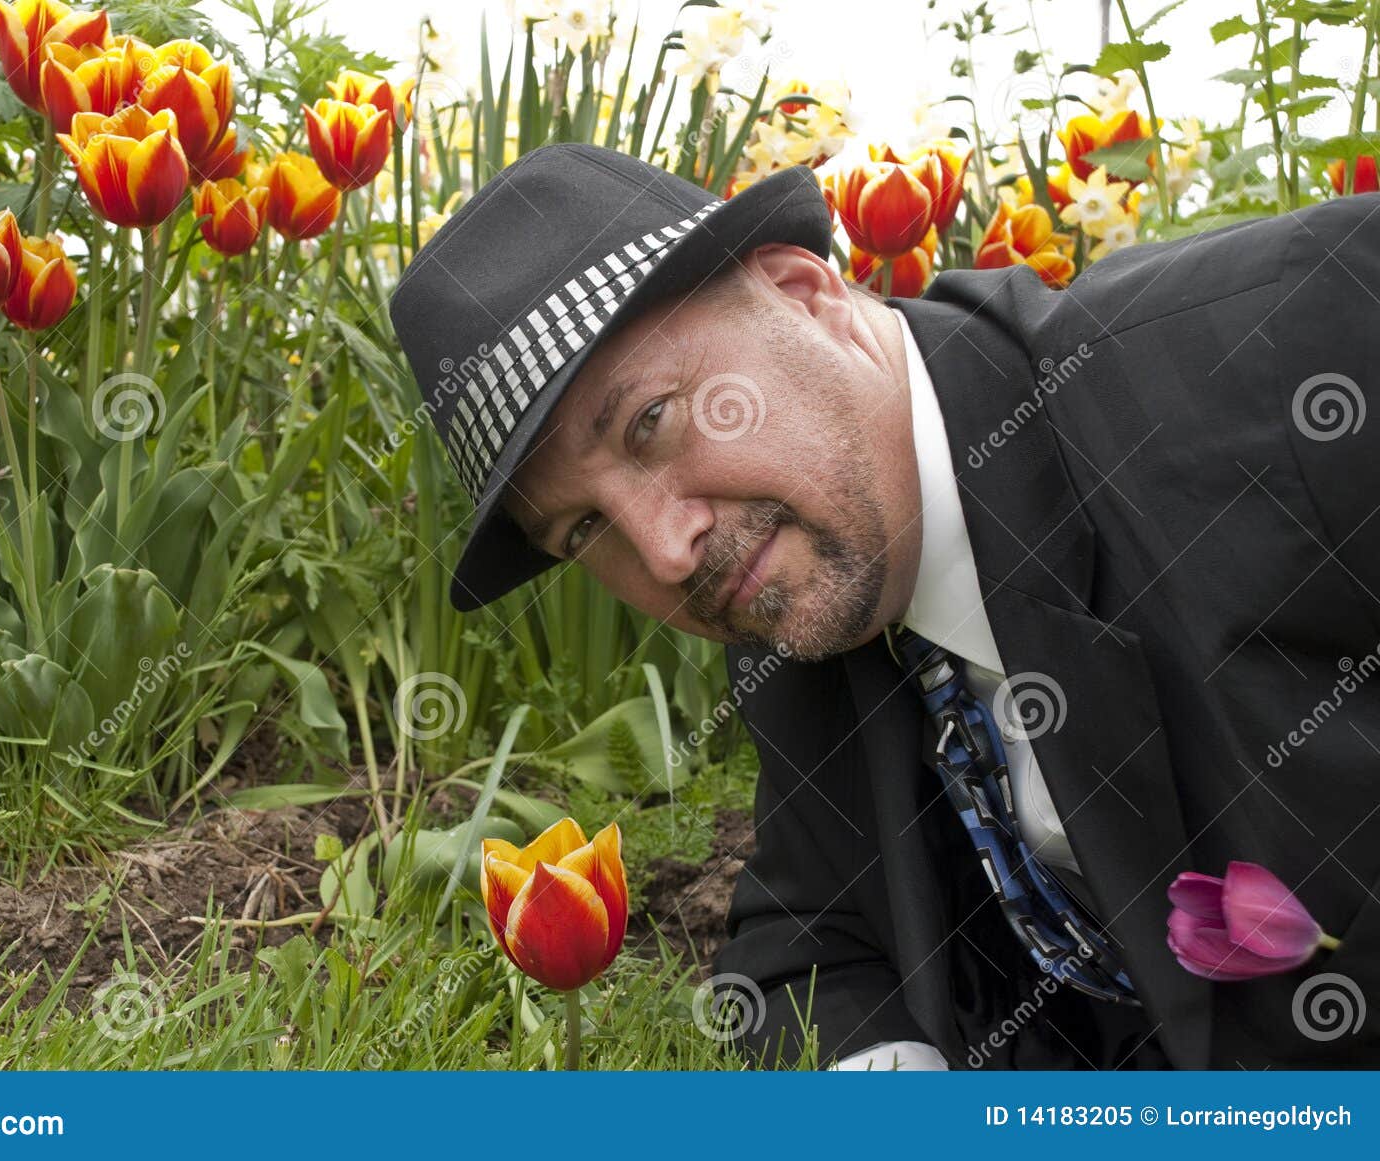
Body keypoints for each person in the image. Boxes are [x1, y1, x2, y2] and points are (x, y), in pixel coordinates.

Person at [388, 141, 1380, 1068]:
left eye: (650, 422)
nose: (662, 546)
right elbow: (807, 933)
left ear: (802, 294)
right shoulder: (796, 601)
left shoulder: (1297, 342)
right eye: (584, 532)